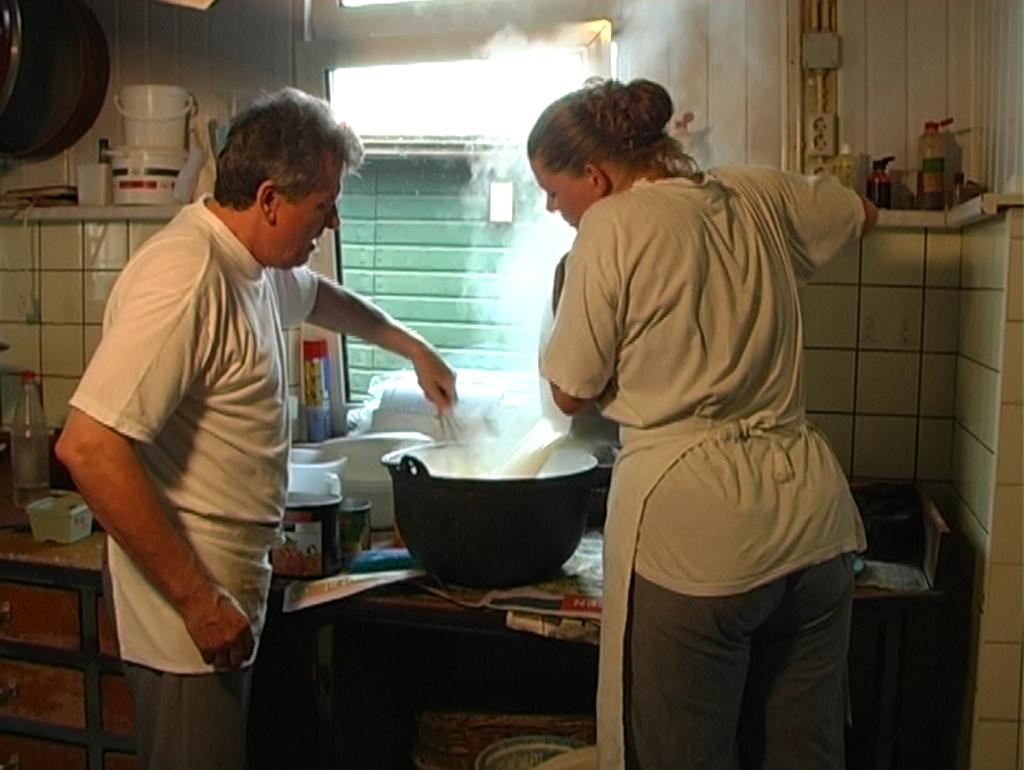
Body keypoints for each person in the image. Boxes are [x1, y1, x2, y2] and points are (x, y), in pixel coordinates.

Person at [55, 87, 456, 770]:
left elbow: (322, 298)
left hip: (229, 594)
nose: (330, 223)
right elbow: (89, 447)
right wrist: (198, 600)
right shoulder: (186, 277)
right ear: (269, 199)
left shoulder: (259, 267)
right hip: (186, 624)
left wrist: (408, 343)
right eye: (322, 205)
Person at [527, 77, 879, 770]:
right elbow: (859, 212)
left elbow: (569, 392)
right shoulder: (754, 193)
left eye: (553, 188)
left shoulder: (610, 226)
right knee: (803, 756)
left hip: (698, 541)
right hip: (815, 528)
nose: (550, 205)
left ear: (595, 177)